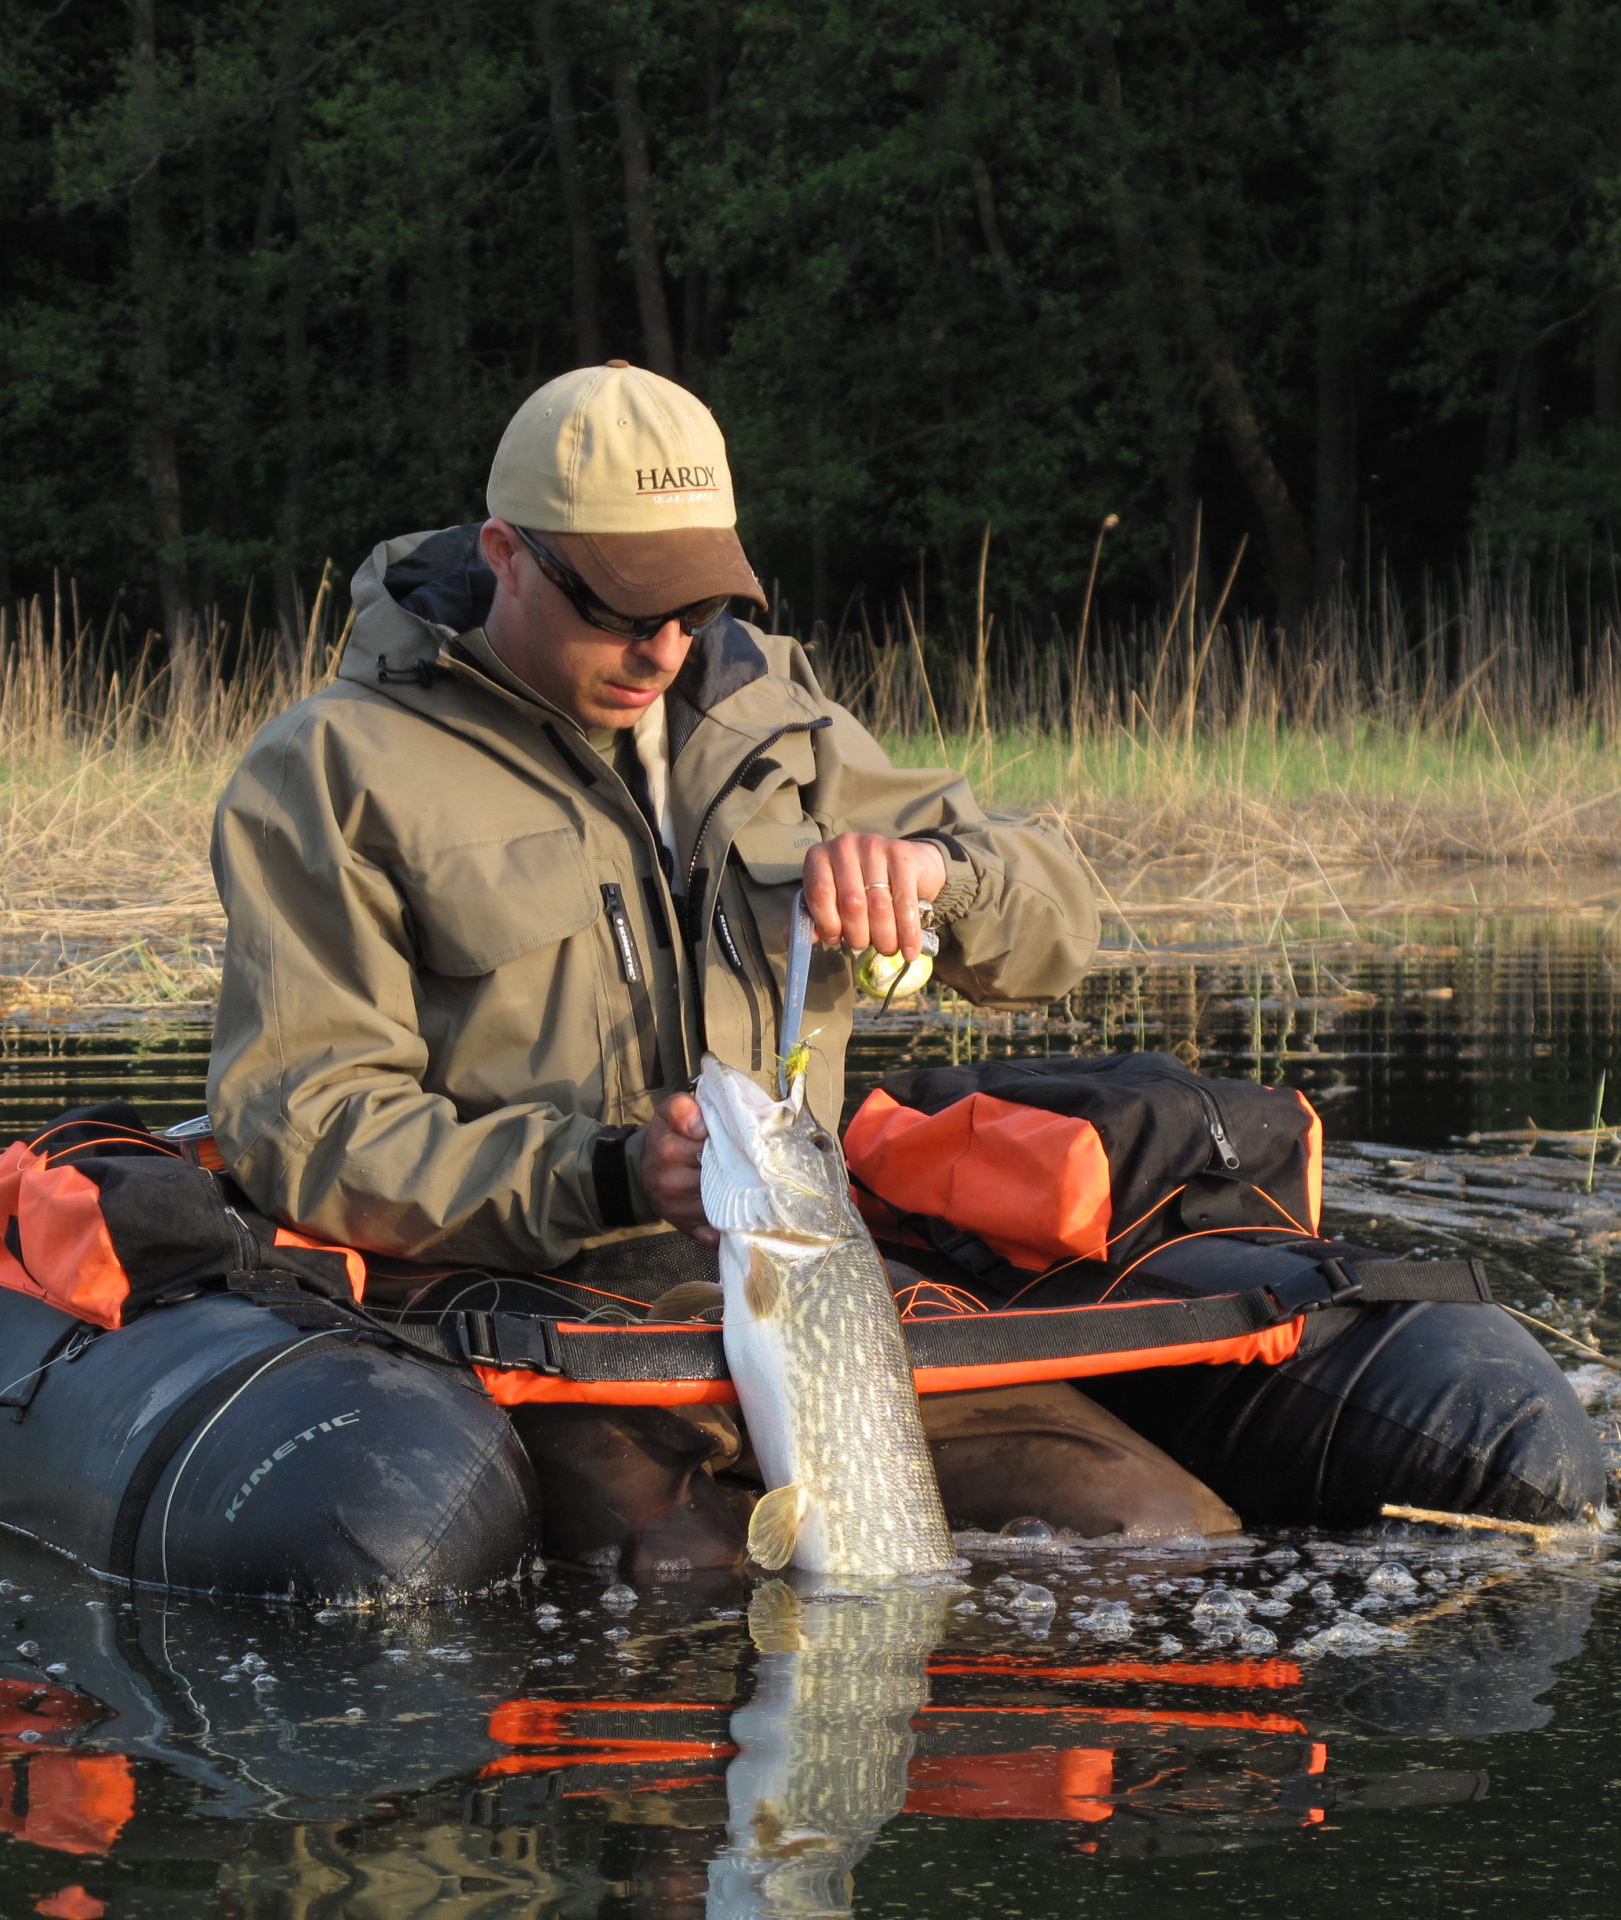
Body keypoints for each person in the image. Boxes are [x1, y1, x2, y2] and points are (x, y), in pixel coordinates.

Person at [207, 362, 1237, 1571]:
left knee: (1161, 1542)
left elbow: (1060, 929)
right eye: (621, 606)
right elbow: (307, 1127)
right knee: (680, 1592)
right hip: (523, 1311)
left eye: (694, 605)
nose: (663, 647)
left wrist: (935, 877)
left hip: (818, 1287)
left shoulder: (775, 725)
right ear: (507, 553)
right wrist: (607, 1173)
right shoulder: (330, 771)